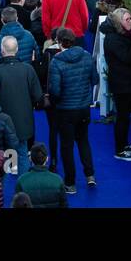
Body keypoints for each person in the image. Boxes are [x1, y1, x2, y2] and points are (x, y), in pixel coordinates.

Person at [0, 34, 43, 173]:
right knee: (22, 152)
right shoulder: (28, 69)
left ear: (2, 50)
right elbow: (37, 95)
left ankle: (4, 187)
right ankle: (22, 188)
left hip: (1, 121)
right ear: (17, 50)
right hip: (24, 120)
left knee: (5, 155)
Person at [48, 27, 97, 193]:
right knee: (83, 140)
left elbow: (55, 90)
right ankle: (90, 175)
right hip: (83, 108)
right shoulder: (86, 56)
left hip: (65, 110)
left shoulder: (56, 62)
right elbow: (95, 79)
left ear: (59, 42)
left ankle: (70, 183)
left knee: (67, 146)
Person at [101, 8, 131, 162]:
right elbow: (127, 57)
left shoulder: (125, 34)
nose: (130, 21)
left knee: (125, 116)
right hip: (122, 83)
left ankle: (124, 144)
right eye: (127, 19)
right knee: (122, 116)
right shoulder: (113, 39)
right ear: (119, 22)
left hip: (128, 80)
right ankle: (119, 149)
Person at [13, 142, 67, 208]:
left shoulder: (21, 181)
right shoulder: (58, 180)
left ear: (30, 159)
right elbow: (64, 205)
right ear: (47, 159)